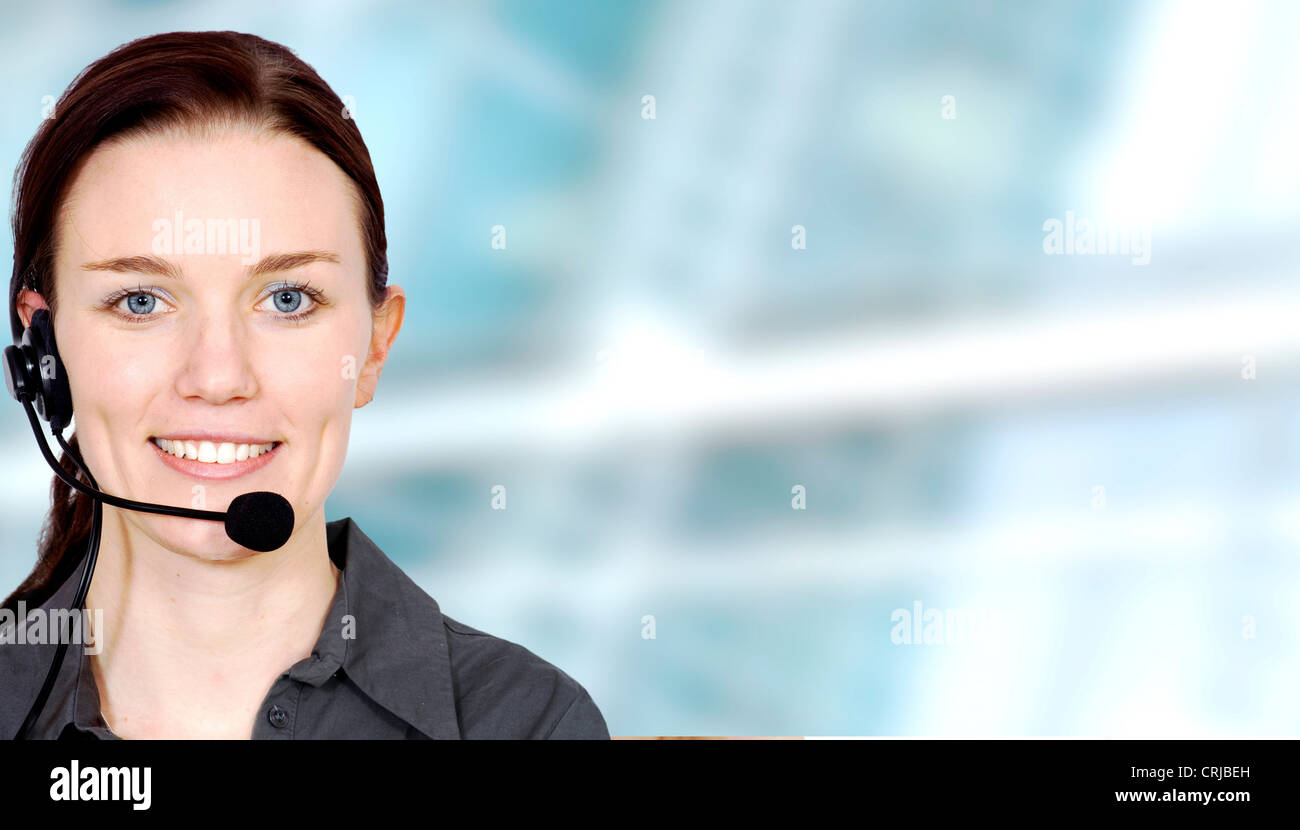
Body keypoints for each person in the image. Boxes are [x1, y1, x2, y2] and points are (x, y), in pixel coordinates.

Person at [0, 30, 608, 740]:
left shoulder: (528, 724)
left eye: (287, 299)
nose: (219, 377)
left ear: (376, 347)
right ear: (45, 353)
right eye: (141, 302)